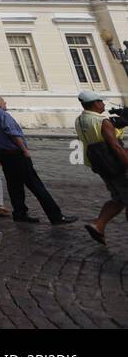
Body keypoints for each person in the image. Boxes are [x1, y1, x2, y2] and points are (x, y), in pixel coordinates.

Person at [0, 94, 77, 225]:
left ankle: (19, 213)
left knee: (14, 184)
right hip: (15, 153)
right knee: (35, 184)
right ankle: (56, 216)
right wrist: (25, 150)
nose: (5, 103)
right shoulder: (3, 115)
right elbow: (13, 133)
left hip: (2, 154)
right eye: (3, 101)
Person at [75, 90, 128, 245]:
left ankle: (98, 225)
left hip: (101, 166)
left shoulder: (79, 120)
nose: (103, 104)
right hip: (116, 164)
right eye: (101, 101)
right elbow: (116, 147)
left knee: (118, 199)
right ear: (96, 103)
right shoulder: (103, 121)